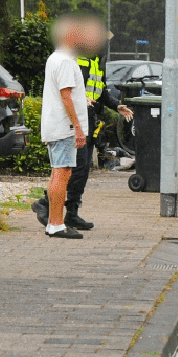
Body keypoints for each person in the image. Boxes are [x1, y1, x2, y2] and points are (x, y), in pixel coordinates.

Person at [33, 49, 133, 230]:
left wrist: (117, 106)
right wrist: (80, 102)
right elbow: (67, 91)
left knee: (82, 169)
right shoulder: (74, 60)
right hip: (75, 121)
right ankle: (46, 204)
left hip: (91, 121)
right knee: (72, 169)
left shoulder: (97, 63)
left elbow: (100, 92)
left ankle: (72, 213)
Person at [38, 15, 105, 239]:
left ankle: (52, 223)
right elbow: (66, 95)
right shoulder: (66, 61)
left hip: (58, 124)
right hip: (64, 126)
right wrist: (77, 127)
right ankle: (57, 224)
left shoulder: (56, 58)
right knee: (62, 172)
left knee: (60, 172)